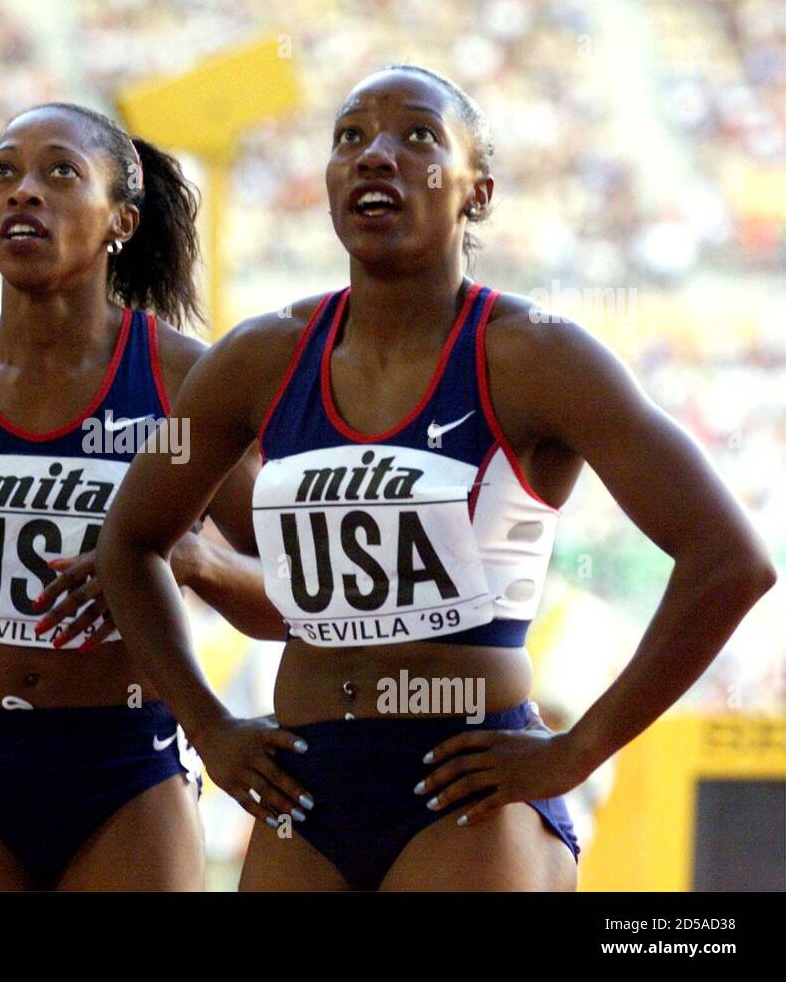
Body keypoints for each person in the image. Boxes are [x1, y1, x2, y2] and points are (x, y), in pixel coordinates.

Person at [96, 65, 777, 891]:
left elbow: (732, 560)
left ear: (476, 193)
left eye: (417, 135)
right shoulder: (256, 358)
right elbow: (129, 543)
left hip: (467, 784)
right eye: (349, 137)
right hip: (305, 791)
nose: (375, 154)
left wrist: (576, 751)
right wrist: (209, 726)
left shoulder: (540, 356)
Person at [0, 103, 285, 891]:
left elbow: (298, 603)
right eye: (2, 172)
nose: (22, 192)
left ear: (122, 220)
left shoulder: (185, 381)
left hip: (126, 769)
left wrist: (191, 559)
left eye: (59, 173)